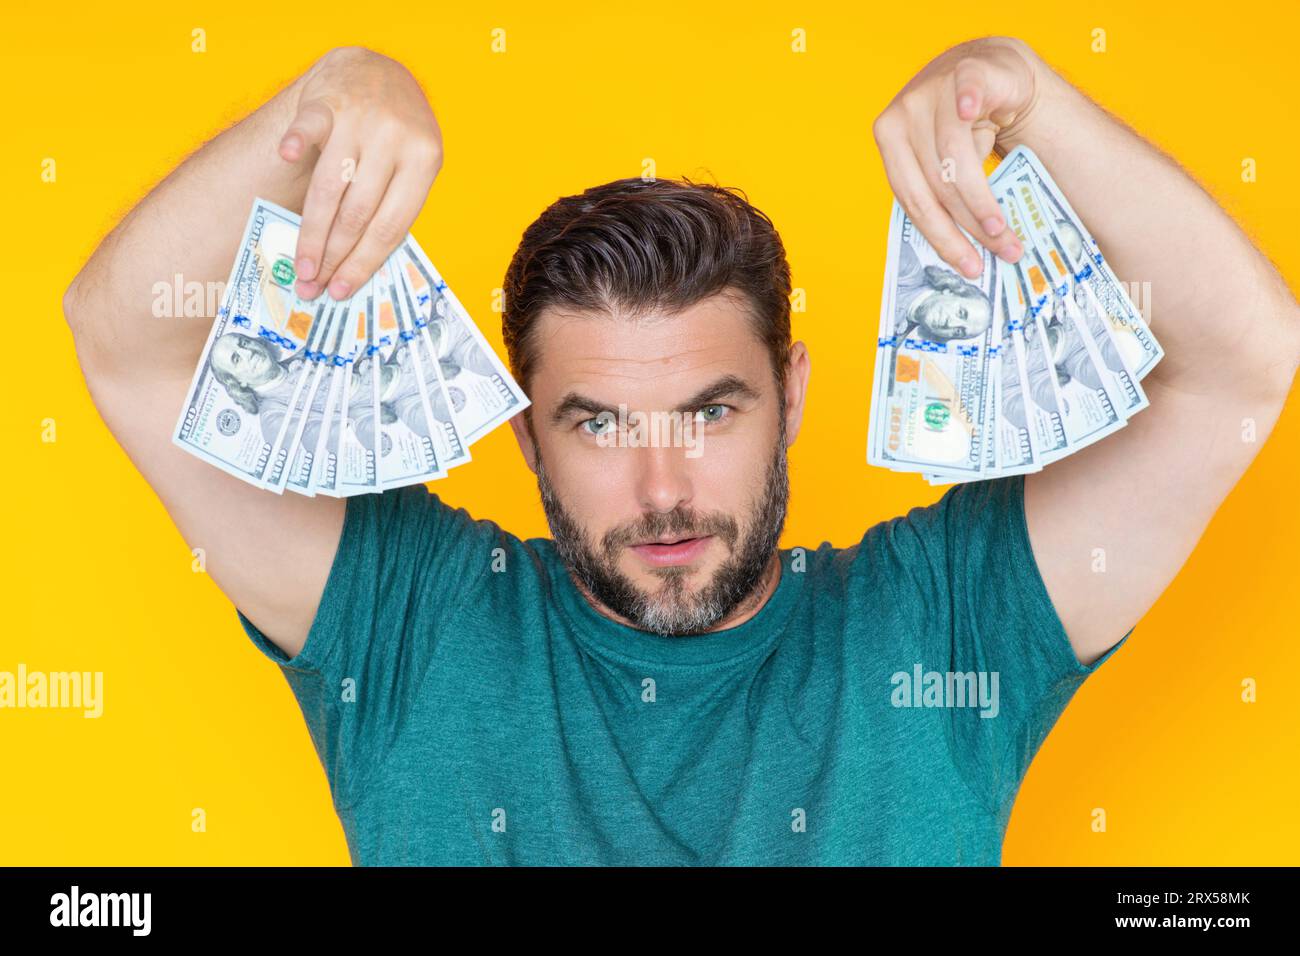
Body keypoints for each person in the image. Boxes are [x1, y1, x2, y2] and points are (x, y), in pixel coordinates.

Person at [63, 40, 1299, 865]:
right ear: (518, 428)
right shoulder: (409, 617)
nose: (662, 491)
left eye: (710, 412)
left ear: (793, 395)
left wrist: (1024, 97)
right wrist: (318, 110)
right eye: (596, 422)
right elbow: (125, 351)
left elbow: (1242, 367)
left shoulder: (945, 621)